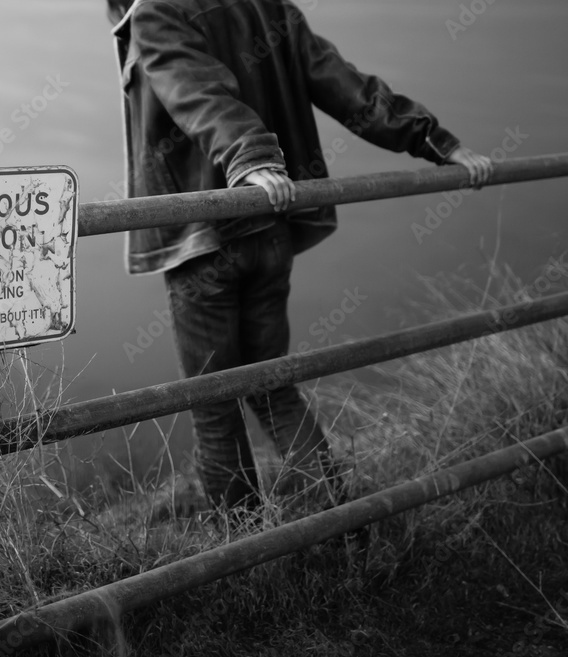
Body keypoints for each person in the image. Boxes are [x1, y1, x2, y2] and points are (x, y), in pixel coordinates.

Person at [106, 0, 493, 510]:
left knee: (214, 406)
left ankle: (240, 560)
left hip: (207, 239)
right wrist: (433, 139)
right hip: (272, 226)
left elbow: (196, 89)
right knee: (273, 389)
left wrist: (250, 156)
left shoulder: (157, 11)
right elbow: (345, 85)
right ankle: (340, 535)